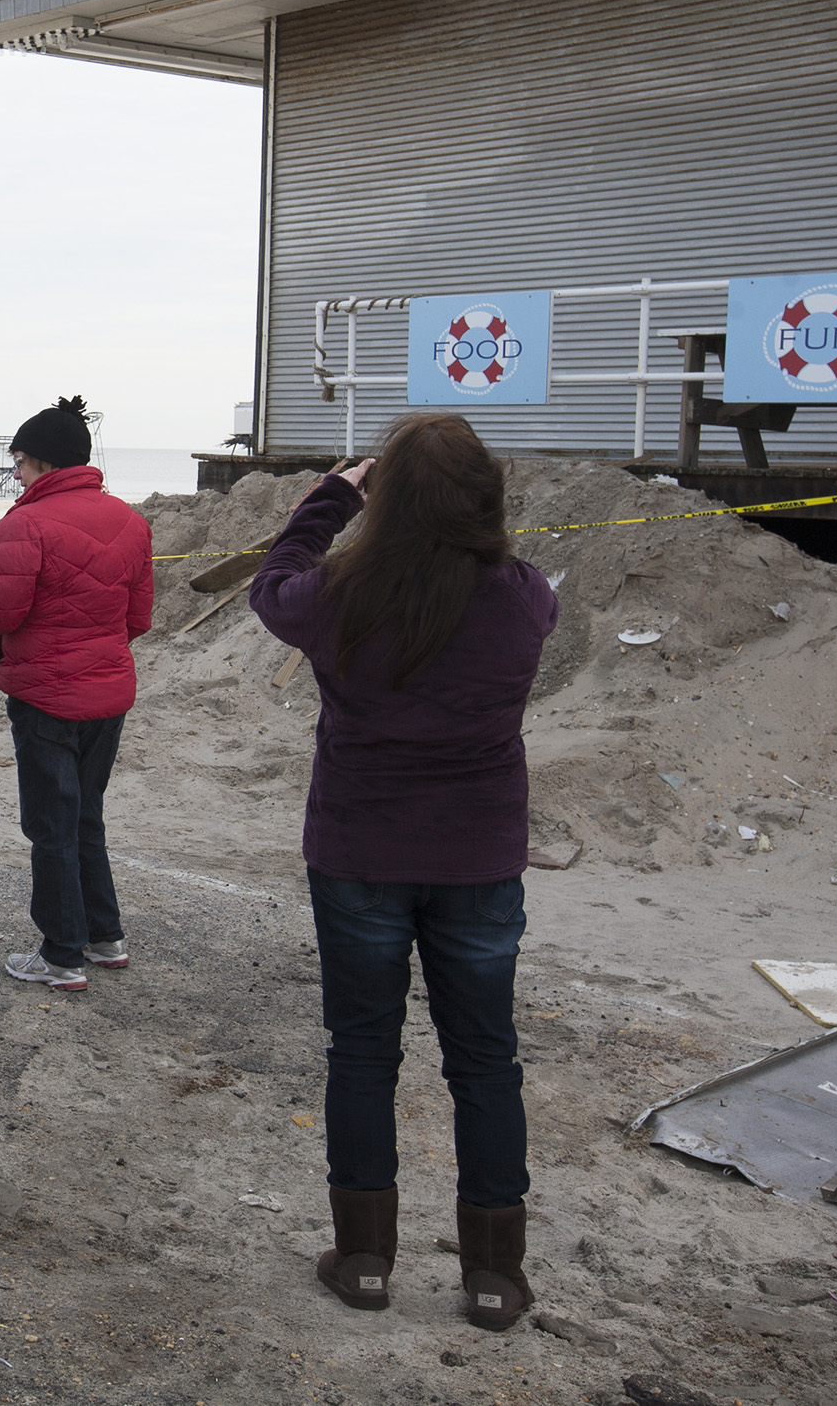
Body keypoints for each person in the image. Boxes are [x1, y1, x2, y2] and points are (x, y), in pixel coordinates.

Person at [247, 413, 558, 1333]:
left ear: (386, 501)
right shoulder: (523, 597)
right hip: (477, 855)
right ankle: (494, 1274)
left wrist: (332, 498)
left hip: (360, 850)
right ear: (484, 495)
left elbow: (271, 585)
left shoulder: (340, 593)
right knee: (486, 1060)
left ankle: (366, 1260)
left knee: (362, 1052)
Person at [0, 395, 152, 992]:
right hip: (108, 691)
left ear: (42, 461)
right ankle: (104, 936)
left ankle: (62, 953)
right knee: (85, 814)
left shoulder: (25, 523)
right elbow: (138, 618)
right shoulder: (131, 521)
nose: (15, 473)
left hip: (45, 695)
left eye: (18, 460)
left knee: (51, 825)